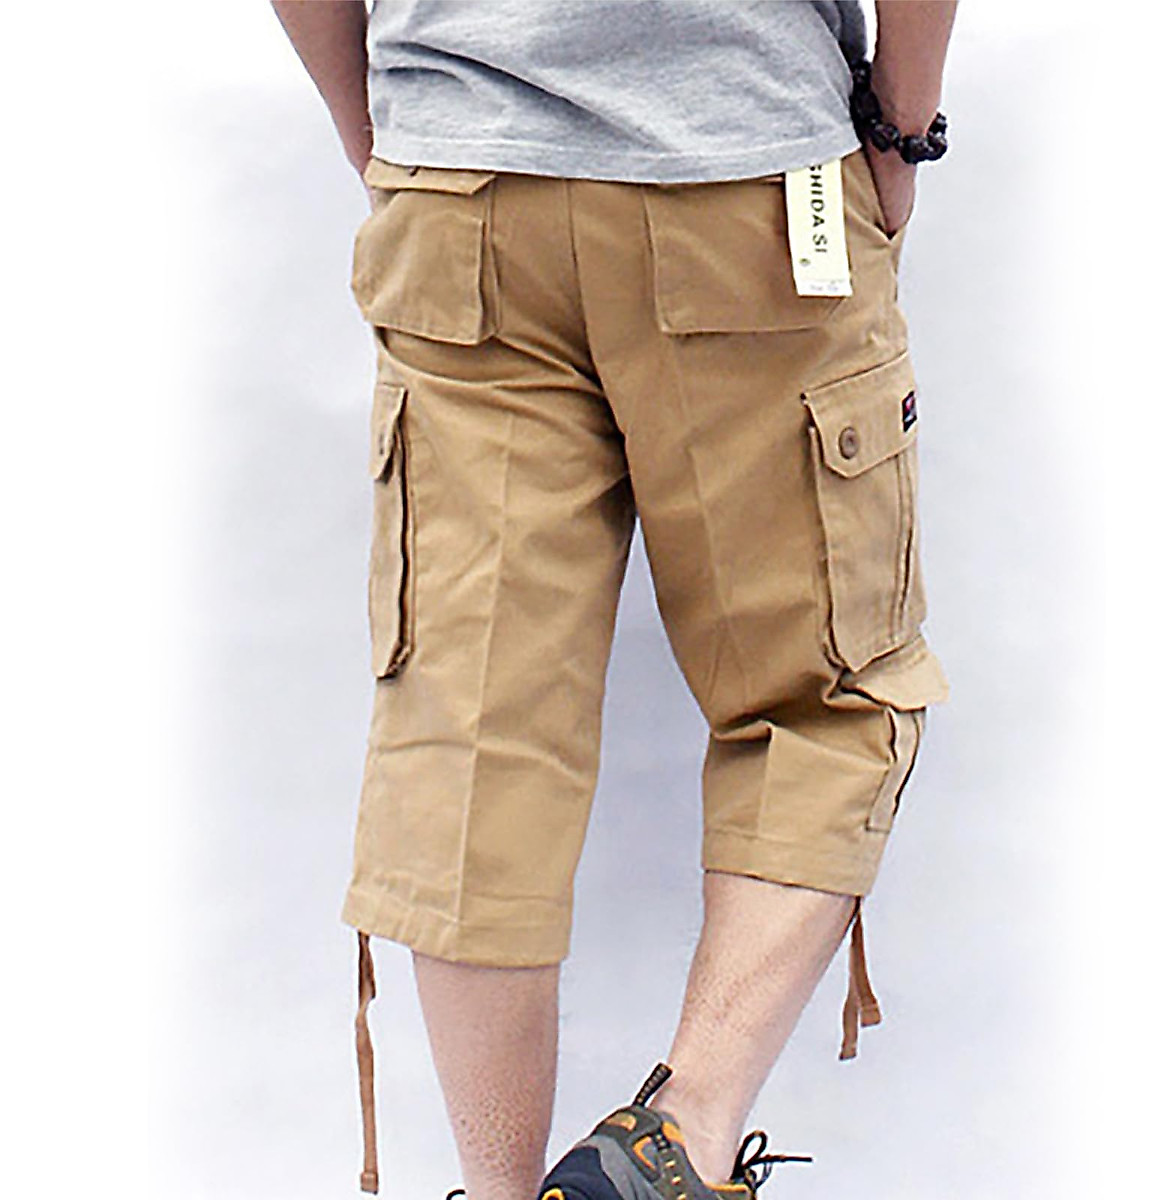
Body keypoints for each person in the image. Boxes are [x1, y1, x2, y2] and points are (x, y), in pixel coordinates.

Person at [271, 2, 958, 1197]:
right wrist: (902, 131)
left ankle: (506, 1192)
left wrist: (382, 127)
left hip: (464, 185)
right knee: (827, 698)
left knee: (473, 740)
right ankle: (670, 1145)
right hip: (746, 173)